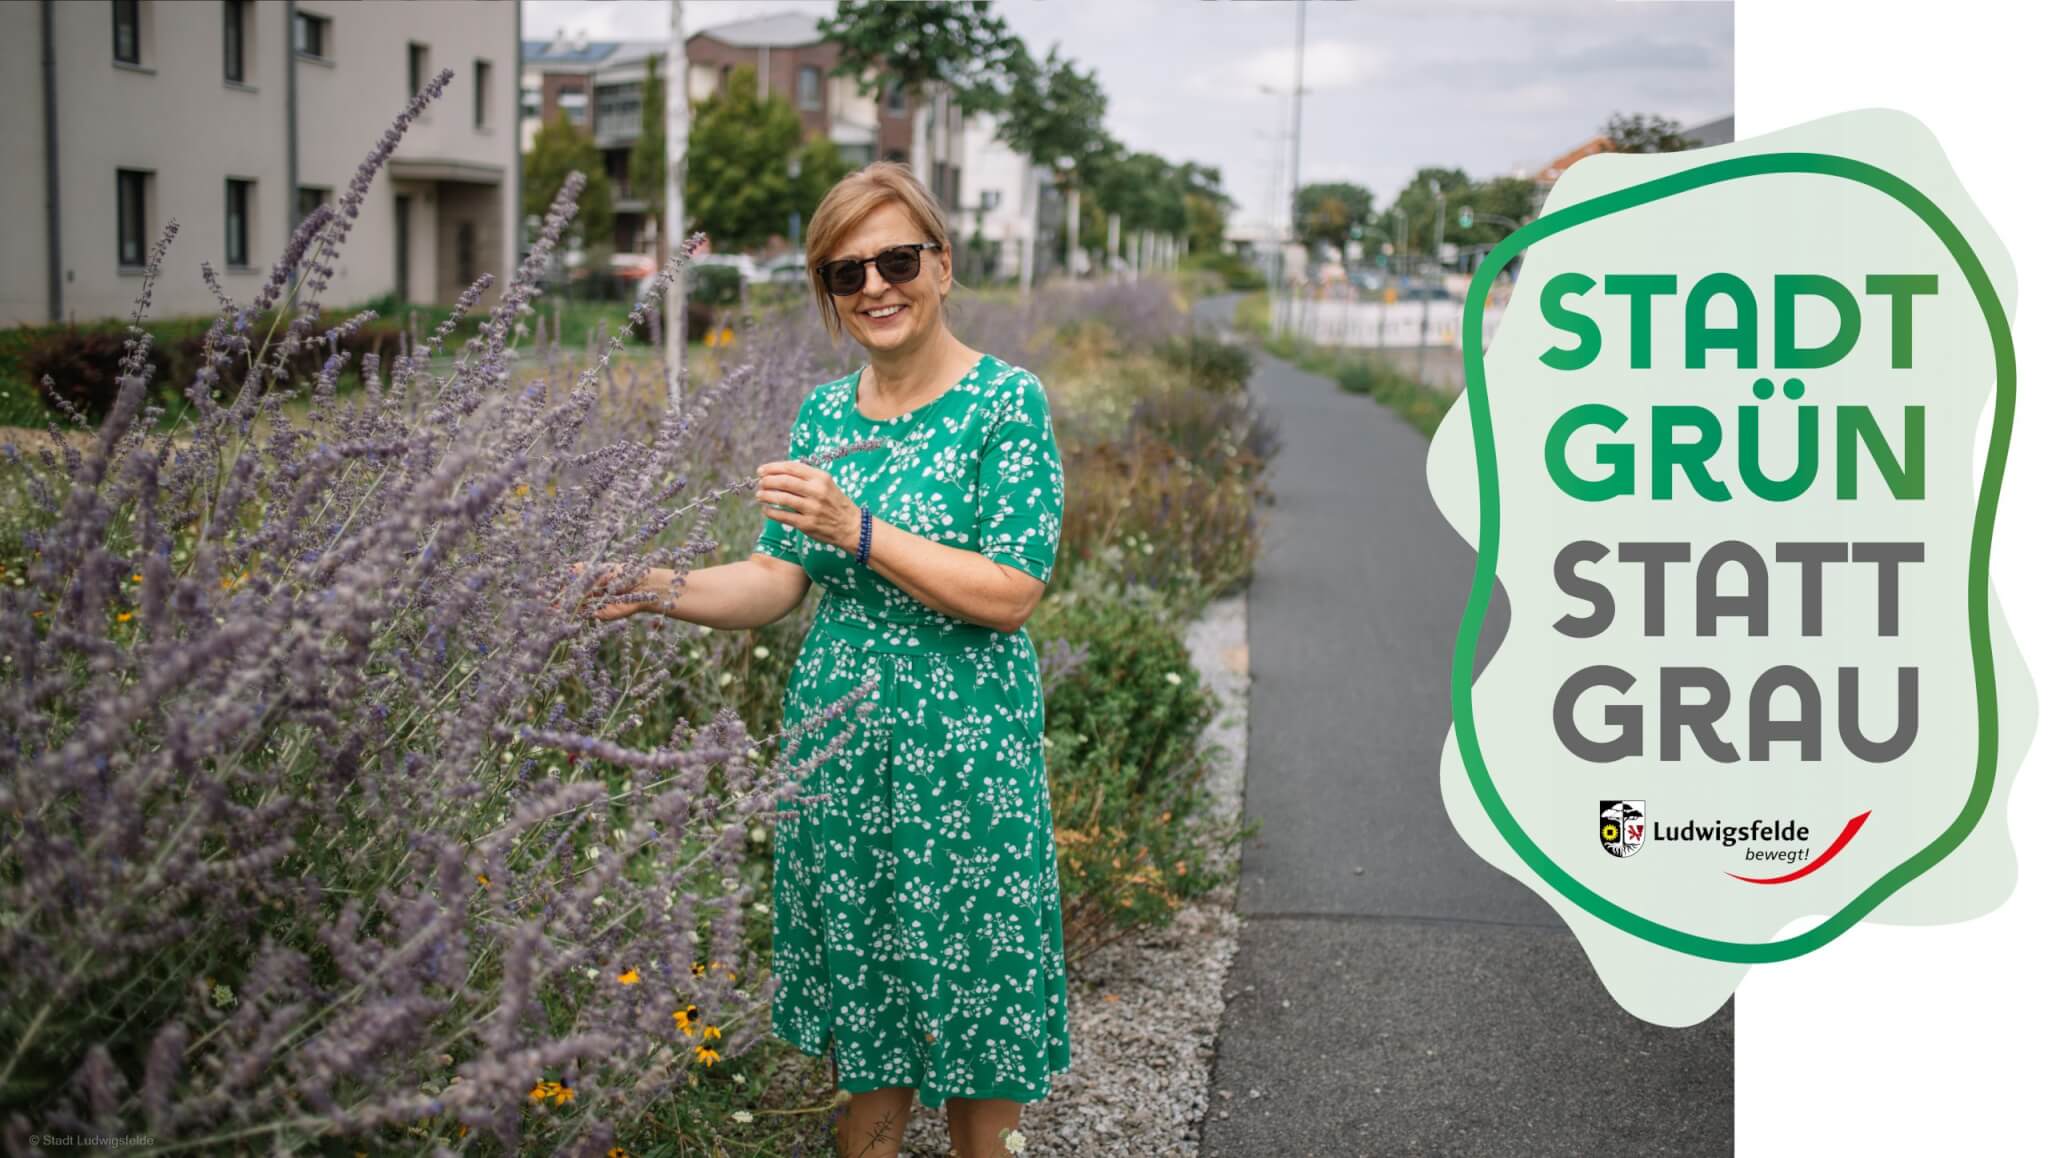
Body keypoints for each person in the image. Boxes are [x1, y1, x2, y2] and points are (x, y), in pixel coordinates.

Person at [569, 162, 1071, 1158]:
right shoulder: (823, 419)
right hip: (839, 765)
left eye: (895, 260)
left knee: (979, 1038)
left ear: (942, 264)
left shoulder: (1003, 405)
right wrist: (649, 584)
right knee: (868, 1032)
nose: (875, 288)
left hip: (963, 771)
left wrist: (860, 529)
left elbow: (1011, 590)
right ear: (828, 296)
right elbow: (773, 579)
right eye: (847, 274)